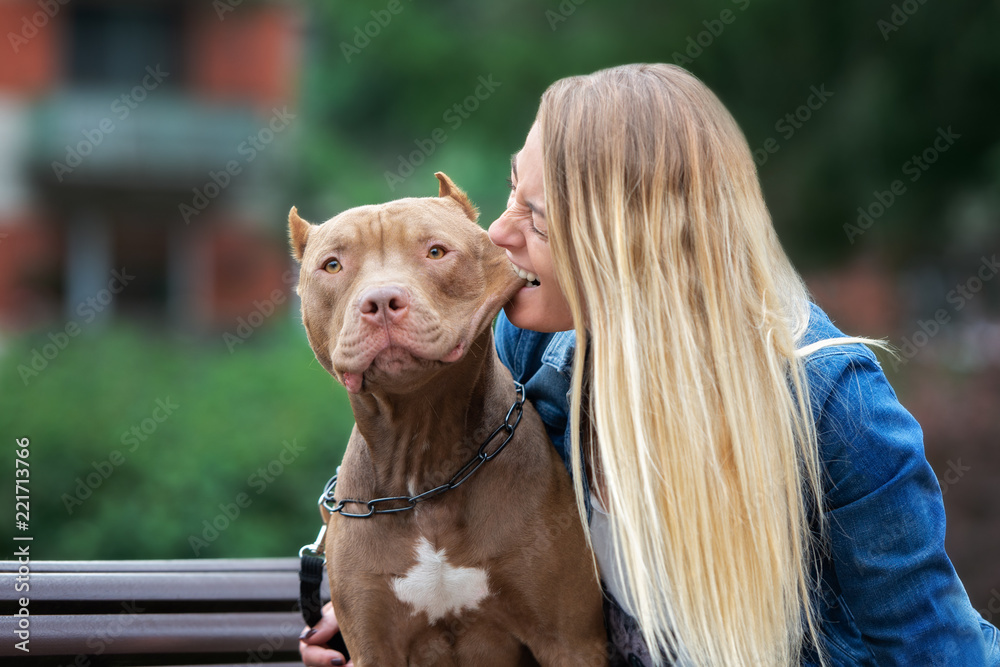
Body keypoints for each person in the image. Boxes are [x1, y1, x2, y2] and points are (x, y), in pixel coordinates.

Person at [301, 64, 1000, 666]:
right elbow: (412, 471)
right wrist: (374, 608)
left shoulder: (834, 411)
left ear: (626, 247)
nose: (499, 234)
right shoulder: (529, 348)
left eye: (536, 217)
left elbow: (935, 649)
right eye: (512, 191)